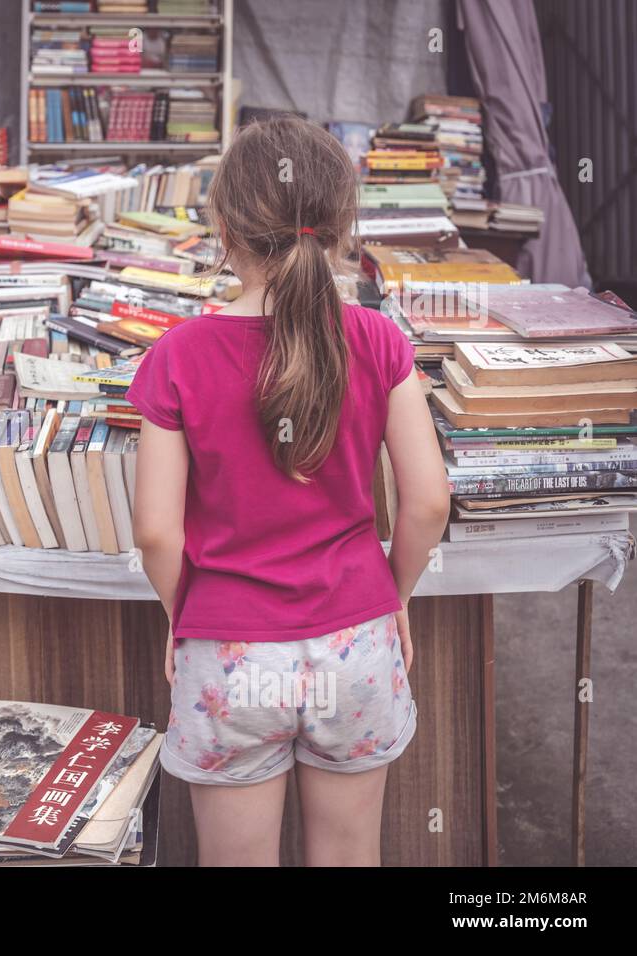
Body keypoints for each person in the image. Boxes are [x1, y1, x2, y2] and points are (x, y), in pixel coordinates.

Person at [127, 115, 451, 867]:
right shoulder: (377, 339)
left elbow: (155, 533)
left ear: (223, 227)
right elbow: (428, 501)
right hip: (358, 647)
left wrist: (185, 614)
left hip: (230, 655)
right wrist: (392, 594)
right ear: (341, 230)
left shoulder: (178, 356)